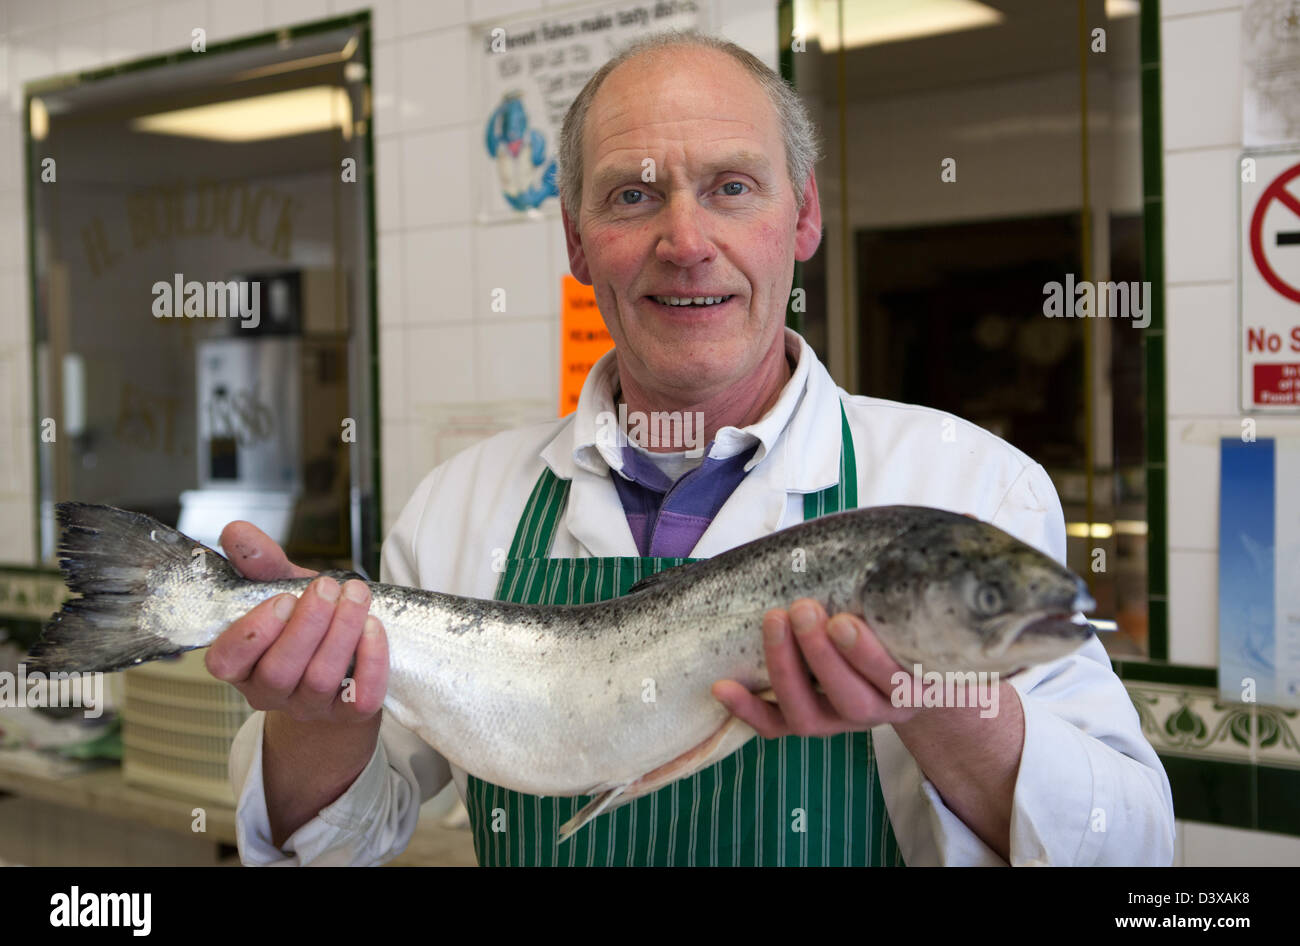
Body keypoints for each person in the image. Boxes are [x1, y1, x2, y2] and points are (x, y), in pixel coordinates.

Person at [215, 30, 1175, 866]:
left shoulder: (972, 487)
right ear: (578, 240)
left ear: (802, 219)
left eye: (731, 187)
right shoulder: (462, 504)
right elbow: (332, 841)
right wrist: (311, 719)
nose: (685, 240)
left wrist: (937, 699)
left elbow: (1132, 850)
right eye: (633, 196)